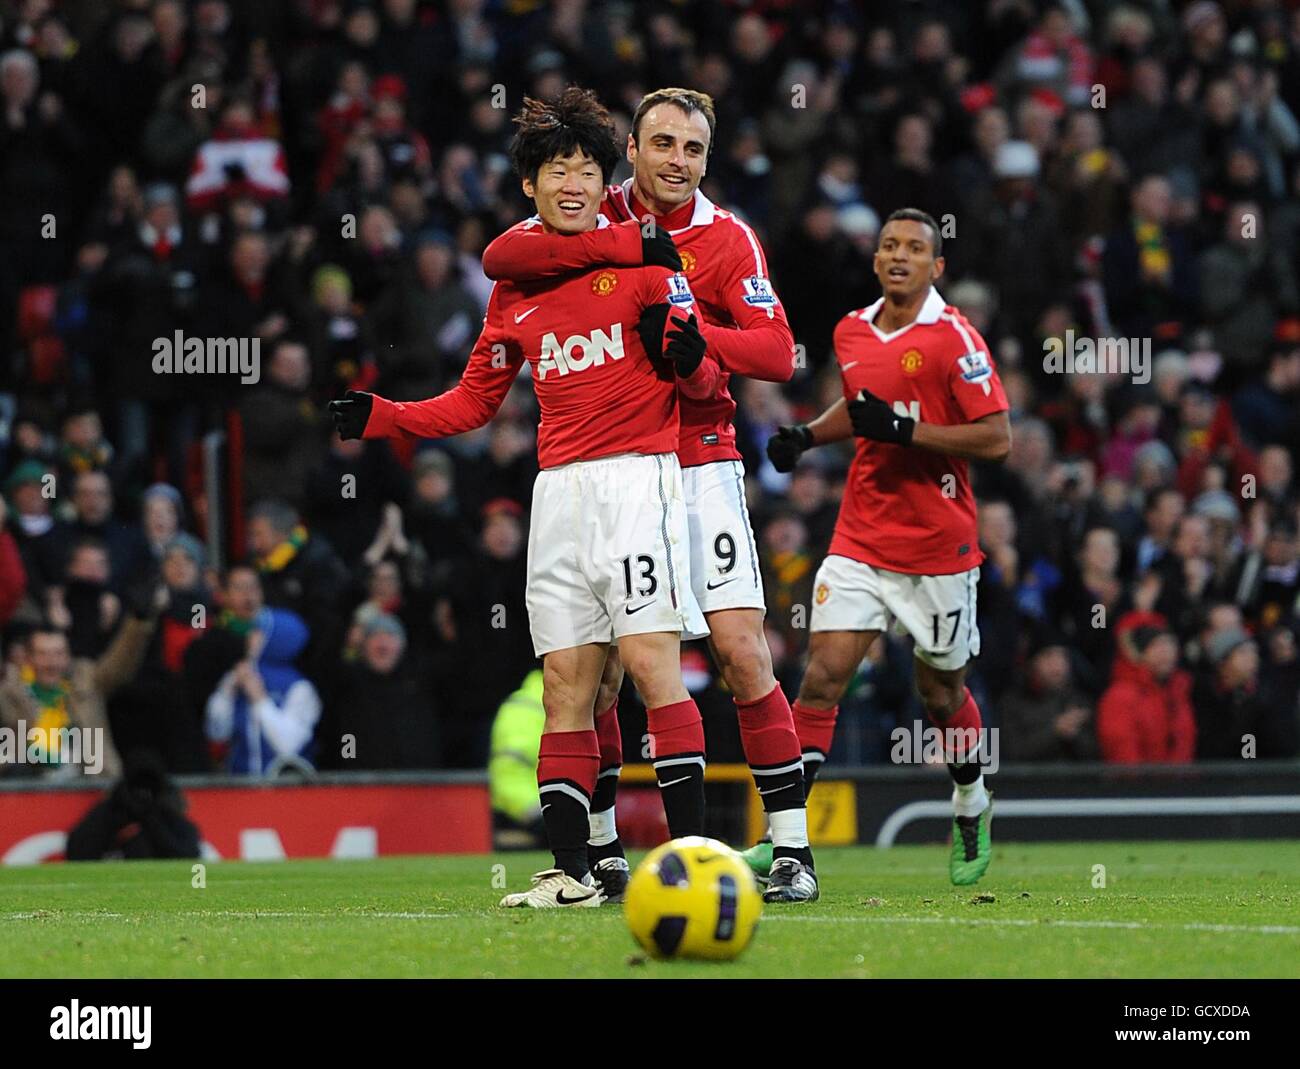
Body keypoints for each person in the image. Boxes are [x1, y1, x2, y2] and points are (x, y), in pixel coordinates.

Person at [331, 87, 713, 908]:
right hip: (558, 494)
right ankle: (574, 875)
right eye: (555, 169)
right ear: (530, 186)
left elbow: (705, 375)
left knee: (652, 667)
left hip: (637, 477)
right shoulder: (514, 293)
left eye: (585, 168)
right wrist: (385, 415)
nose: (572, 182)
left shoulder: (646, 262)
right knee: (567, 684)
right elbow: (473, 402)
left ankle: (693, 861)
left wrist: (685, 352)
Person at [479, 86, 816, 903]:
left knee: (739, 648)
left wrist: (697, 336)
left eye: (693, 149)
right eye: (662, 143)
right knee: (599, 675)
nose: (677, 160)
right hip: (616, 460)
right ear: (630, 149)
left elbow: (777, 352)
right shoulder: (595, 210)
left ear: (708, 159)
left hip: (700, 461)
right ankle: (599, 855)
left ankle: (793, 853)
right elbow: (507, 255)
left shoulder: (729, 238)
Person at [764, 207, 1011, 886]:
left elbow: (995, 437)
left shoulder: (954, 338)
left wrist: (905, 429)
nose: (899, 255)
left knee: (939, 691)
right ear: (876, 260)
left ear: (937, 266)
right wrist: (808, 436)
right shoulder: (851, 329)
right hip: (861, 533)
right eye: (889, 245)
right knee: (821, 676)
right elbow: (860, 404)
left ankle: (970, 798)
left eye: (915, 248)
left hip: (938, 544)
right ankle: (785, 836)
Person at [1097, 625, 1196, 763]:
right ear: (1140, 654)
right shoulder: (1120, 696)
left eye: (1170, 644)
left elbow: (1184, 743)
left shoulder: (1179, 692)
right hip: (1139, 783)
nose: (1166, 652)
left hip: (1178, 782)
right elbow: (1122, 750)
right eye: (1156, 645)